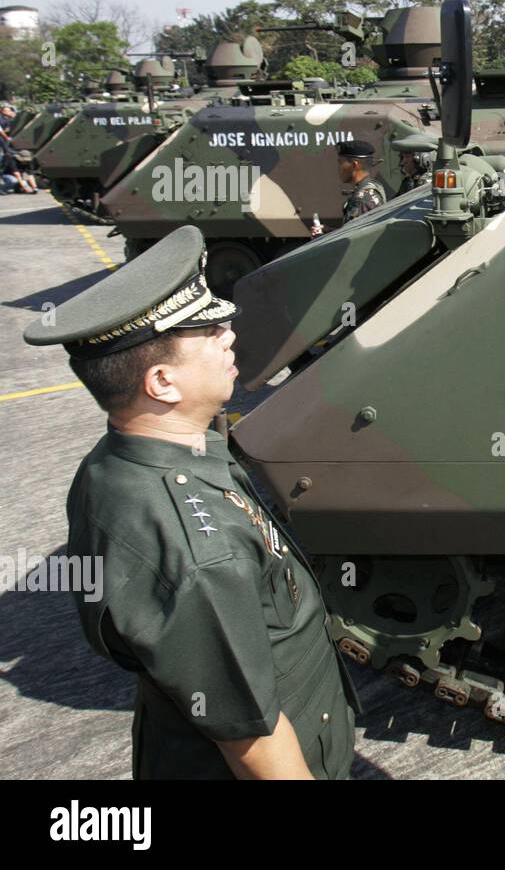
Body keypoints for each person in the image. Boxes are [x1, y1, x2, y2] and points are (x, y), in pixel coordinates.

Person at [23, 226, 359, 779]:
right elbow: (252, 734)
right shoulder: (200, 555)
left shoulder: (121, 462)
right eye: (208, 330)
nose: (229, 335)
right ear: (161, 381)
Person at [311, 140, 386, 236]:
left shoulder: (362, 199)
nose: (339, 168)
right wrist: (327, 231)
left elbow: (353, 241)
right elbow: (352, 231)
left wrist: (319, 237)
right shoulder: (372, 186)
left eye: (341, 163)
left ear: (354, 165)